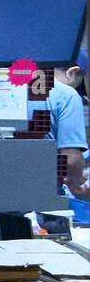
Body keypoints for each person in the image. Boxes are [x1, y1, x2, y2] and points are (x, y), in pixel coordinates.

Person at [36, 50, 88, 195]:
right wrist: (76, 181)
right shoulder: (67, 95)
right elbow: (70, 158)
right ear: (72, 72)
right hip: (41, 188)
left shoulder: (11, 87)